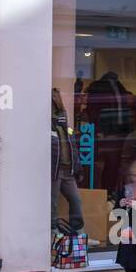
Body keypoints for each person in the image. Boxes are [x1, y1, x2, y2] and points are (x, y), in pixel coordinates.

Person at [49, 88, 85, 233]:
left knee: (76, 200)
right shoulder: (45, 122)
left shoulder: (63, 121)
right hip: (55, 170)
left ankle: (77, 231)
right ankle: (52, 232)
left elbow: (72, 146)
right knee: (52, 203)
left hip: (67, 170)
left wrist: (77, 167)